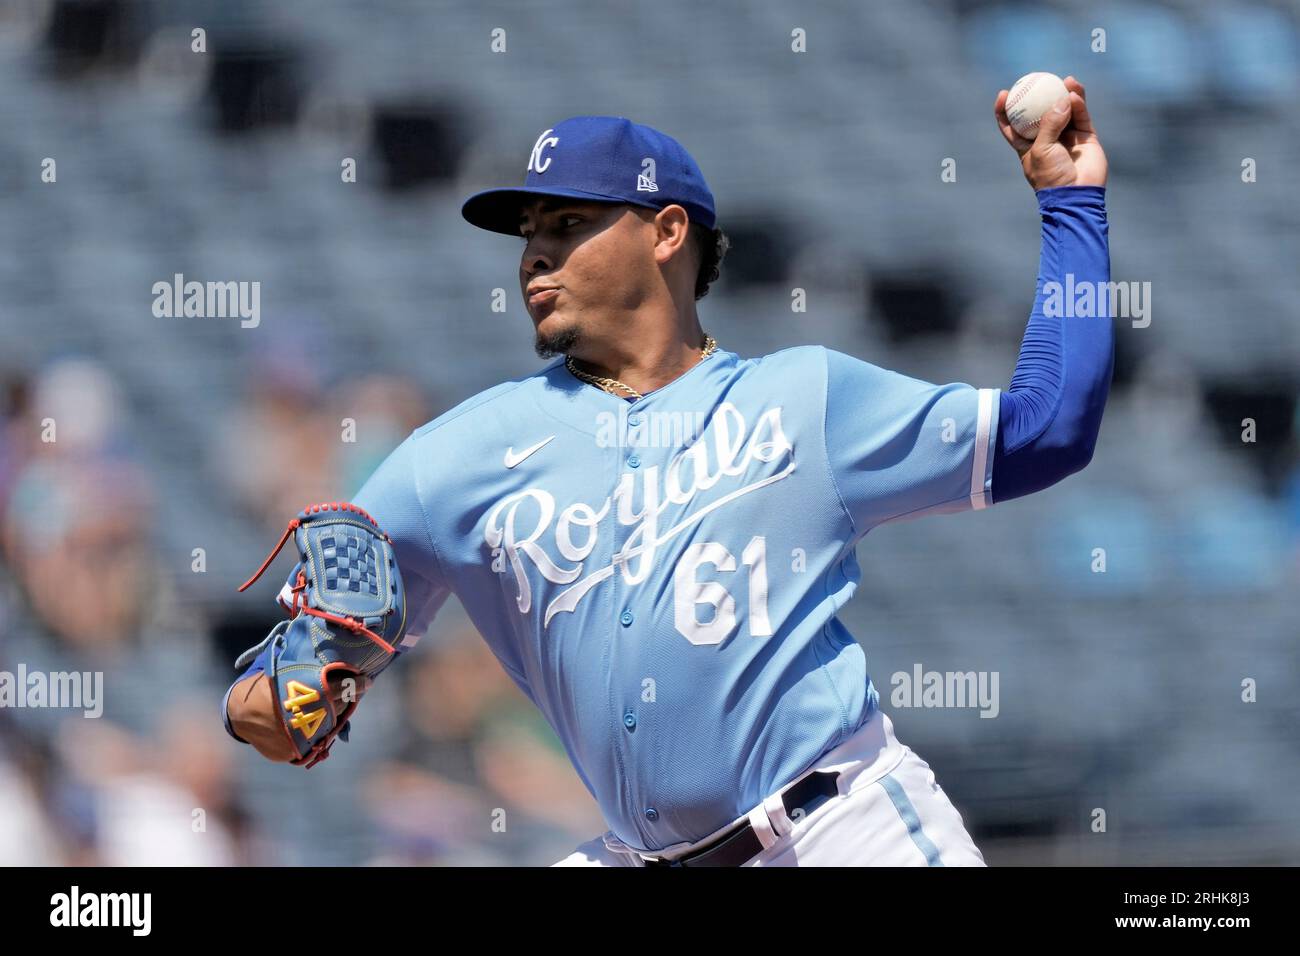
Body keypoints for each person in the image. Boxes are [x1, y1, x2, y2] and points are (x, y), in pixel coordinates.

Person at [224, 79, 1113, 865]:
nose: (535, 254)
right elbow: (284, 684)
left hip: (840, 830)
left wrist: (1070, 205)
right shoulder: (453, 459)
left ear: (667, 232)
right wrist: (272, 703)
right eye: (530, 234)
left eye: (569, 225)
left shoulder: (806, 398)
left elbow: (1048, 428)